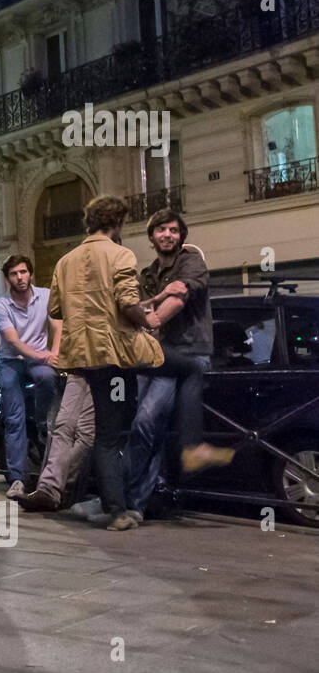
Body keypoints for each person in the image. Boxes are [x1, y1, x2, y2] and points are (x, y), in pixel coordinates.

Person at [48, 195, 163, 532]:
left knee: (99, 433)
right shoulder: (120, 254)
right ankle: (117, 510)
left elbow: (55, 310)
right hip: (112, 359)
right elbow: (128, 302)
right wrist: (147, 321)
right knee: (110, 436)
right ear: (116, 223)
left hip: (81, 357)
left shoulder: (65, 261)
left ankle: (107, 502)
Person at [123, 210, 234, 518]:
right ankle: (135, 501)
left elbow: (180, 294)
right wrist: (155, 300)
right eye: (161, 230)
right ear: (151, 236)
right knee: (144, 428)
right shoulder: (148, 273)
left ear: (181, 236)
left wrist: (155, 314)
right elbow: (137, 309)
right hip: (160, 355)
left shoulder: (191, 261)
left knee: (146, 422)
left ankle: (131, 502)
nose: (168, 234)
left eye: (173, 230)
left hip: (186, 352)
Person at [0, 255, 60, 498]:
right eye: (14, 274)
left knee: (47, 378)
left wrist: (55, 351)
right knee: (14, 418)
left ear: (30, 273)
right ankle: (17, 478)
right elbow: (12, 341)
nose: (20, 278)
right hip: (11, 360)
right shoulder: (1, 305)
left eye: (23, 272)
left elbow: (58, 323)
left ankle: (41, 419)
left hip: (39, 358)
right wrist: (44, 356)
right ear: (7, 277)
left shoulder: (46, 295)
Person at [15, 373, 95, 512]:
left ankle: (61, 487)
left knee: (85, 431)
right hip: (78, 366)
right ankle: (49, 488)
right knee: (64, 425)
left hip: (106, 368)